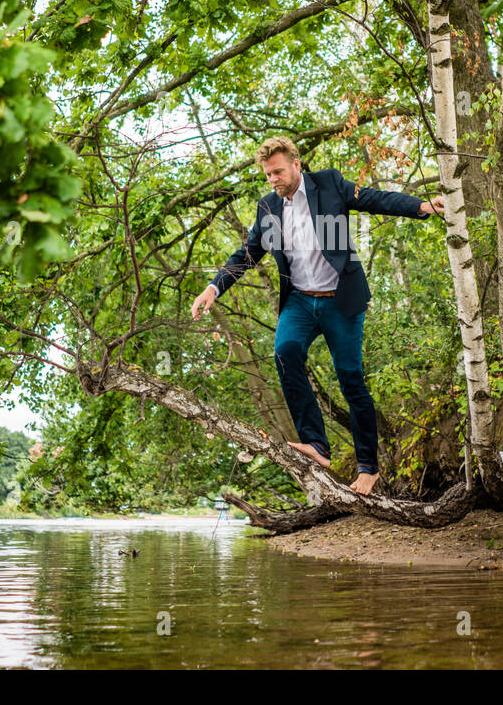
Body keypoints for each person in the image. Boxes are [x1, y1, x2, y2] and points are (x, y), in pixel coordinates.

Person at [190, 136, 443, 495]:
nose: (273, 179)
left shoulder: (329, 184)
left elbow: (375, 199)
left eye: (278, 172)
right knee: (285, 352)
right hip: (300, 302)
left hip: (340, 298)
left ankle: (368, 467)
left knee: (350, 378)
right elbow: (246, 254)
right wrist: (213, 289)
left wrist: (422, 206)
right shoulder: (268, 208)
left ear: (296, 164)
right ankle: (316, 445)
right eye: (267, 174)